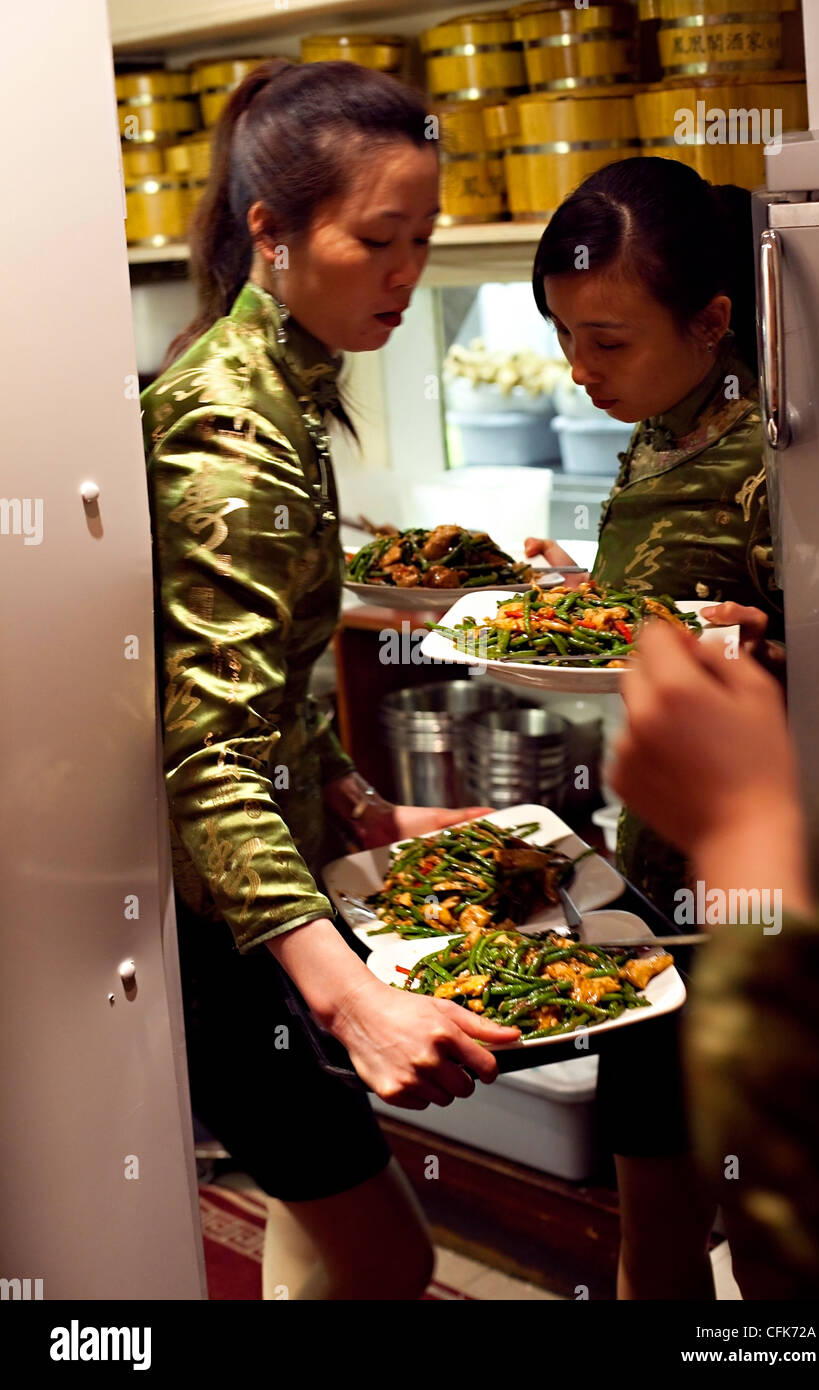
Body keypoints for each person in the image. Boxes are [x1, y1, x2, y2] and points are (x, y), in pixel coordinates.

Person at [142, 58, 520, 1302]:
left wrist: (366, 809)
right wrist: (353, 999)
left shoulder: (287, 384)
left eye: (423, 239)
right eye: (376, 240)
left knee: (319, 1230)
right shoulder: (236, 427)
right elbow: (208, 751)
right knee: (387, 1254)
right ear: (271, 232)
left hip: (259, 887)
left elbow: (276, 689)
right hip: (222, 922)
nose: (406, 276)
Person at [523, 156, 783, 1299]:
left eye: (606, 341)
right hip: (647, 881)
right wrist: (579, 594)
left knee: (776, 1240)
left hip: (751, 899)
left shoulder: (775, 457)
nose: (579, 371)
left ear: (711, 319)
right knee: (651, 1215)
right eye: (564, 338)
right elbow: (664, 609)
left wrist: (776, 655)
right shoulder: (662, 423)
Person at [609, 617, 819, 1298]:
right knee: (660, 1241)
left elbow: (807, 1230)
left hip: (766, 959)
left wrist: (738, 827)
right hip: (672, 928)